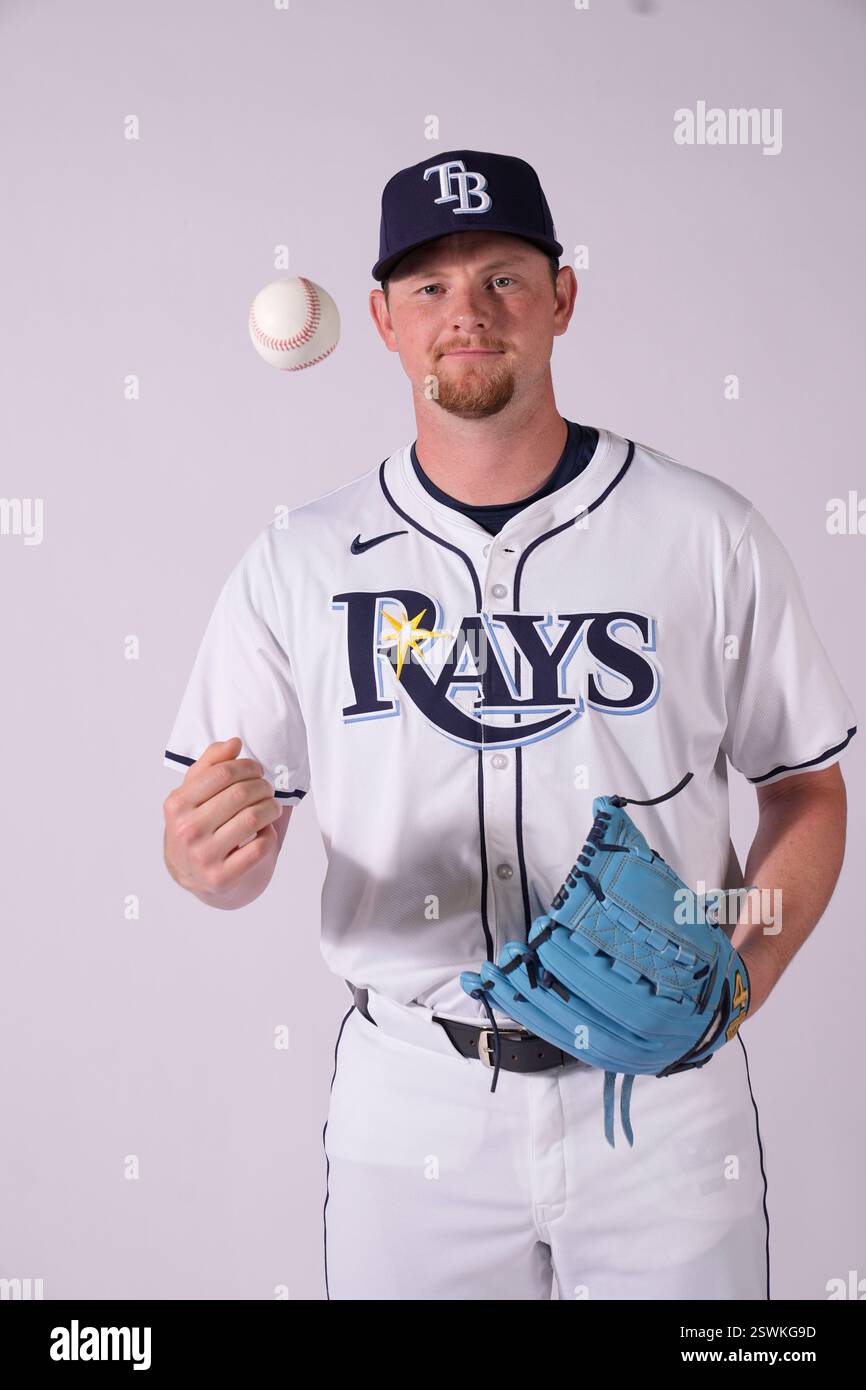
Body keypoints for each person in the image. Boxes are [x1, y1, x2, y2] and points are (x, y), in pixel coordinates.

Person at [162, 150, 855, 1300]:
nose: (466, 313)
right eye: (429, 287)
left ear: (561, 298)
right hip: (413, 1100)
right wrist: (204, 862)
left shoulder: (703, 533)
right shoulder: (297, 561)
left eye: (503, 278)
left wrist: (740, 982)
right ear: (380, 319)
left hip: (663, 1110)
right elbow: (226, 862)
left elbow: (805, 787)